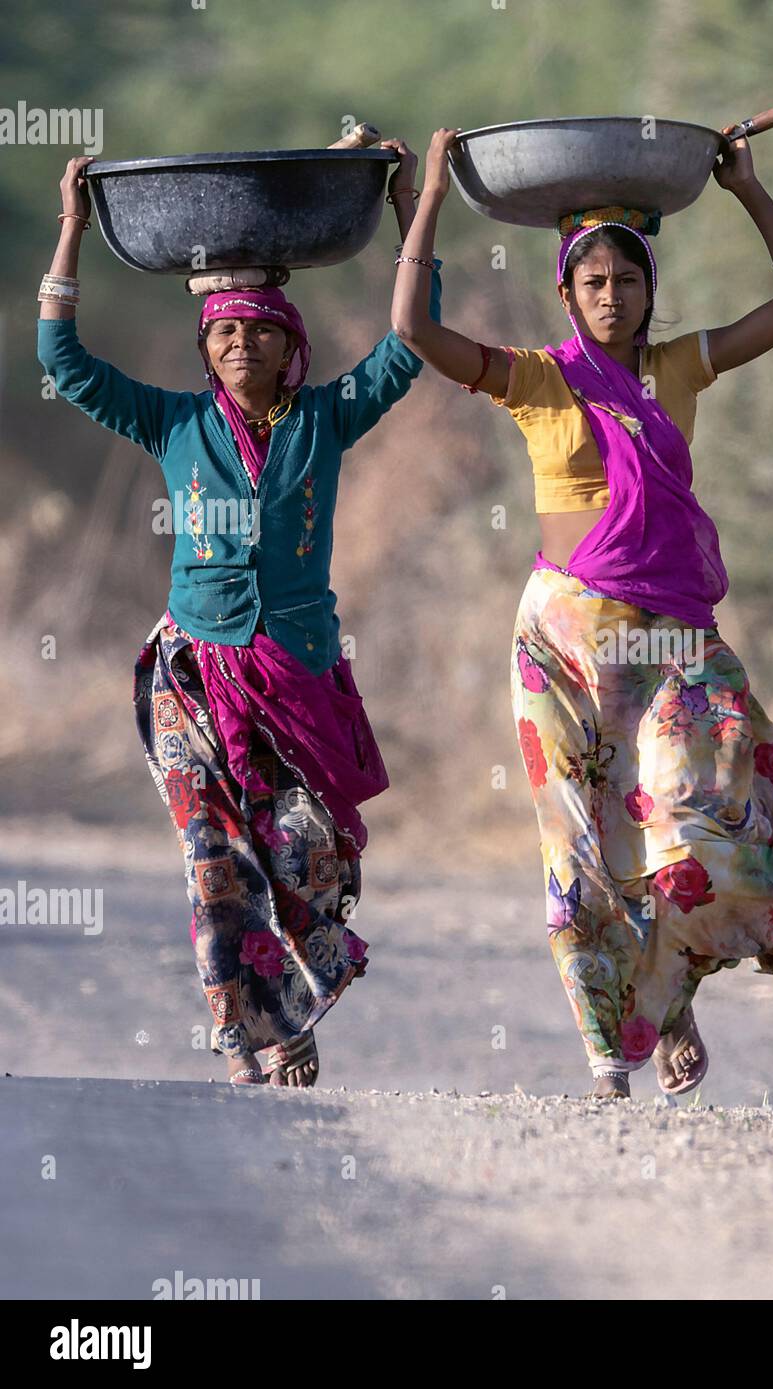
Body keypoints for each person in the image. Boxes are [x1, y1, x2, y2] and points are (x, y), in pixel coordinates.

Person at [393, 125, 773, 1099]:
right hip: (564, 641)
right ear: (566, 292)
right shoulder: (536, 378)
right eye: (592, 282)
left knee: (706, 799)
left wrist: (747, 189)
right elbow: (414, 336)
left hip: (675, 639)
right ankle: (615, 1039)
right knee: (584, 840)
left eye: (628, 282)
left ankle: (674, 986)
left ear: (650, 292)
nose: (611, 297)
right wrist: (427, 196)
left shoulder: (680, 368)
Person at [37, 138, 443, 1086]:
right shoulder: (173, 424)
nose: (239, 346)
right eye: (223, 334)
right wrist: (72, 228)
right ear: (205, 348)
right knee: (214, 858)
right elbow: (63, 357)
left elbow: (413, 339)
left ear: (290, 343)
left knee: (305, 852)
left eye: (260, 331)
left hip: (294, 667)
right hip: (193, 673)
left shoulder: (327, 419)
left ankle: (293, 1002)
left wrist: (407, 208)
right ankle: (251, 1033)